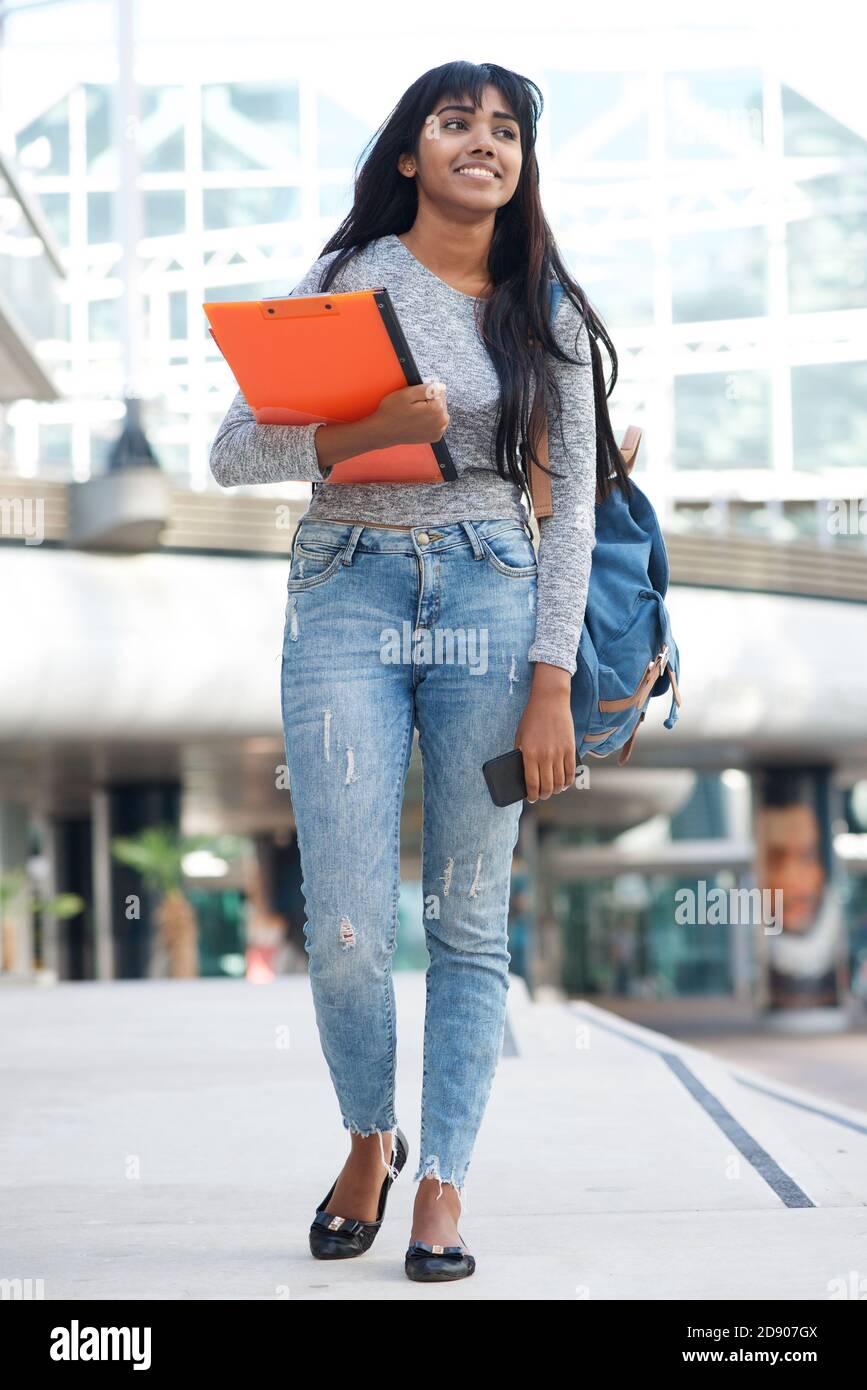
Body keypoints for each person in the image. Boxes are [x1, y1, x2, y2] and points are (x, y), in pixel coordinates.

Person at [209, 60, 628, 1284]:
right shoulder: (348, 280)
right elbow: (235, 450)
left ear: (520, 165)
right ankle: (367, 1136)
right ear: (410, 154)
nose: (482, 143)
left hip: (496, 596)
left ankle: (442, 1174)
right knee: (344, 923)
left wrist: (553, 679)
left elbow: (580, 508)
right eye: (457, 124)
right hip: (346, 585)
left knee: (465, 917)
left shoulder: (543, 305)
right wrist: (367, 435)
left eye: (505, 131)